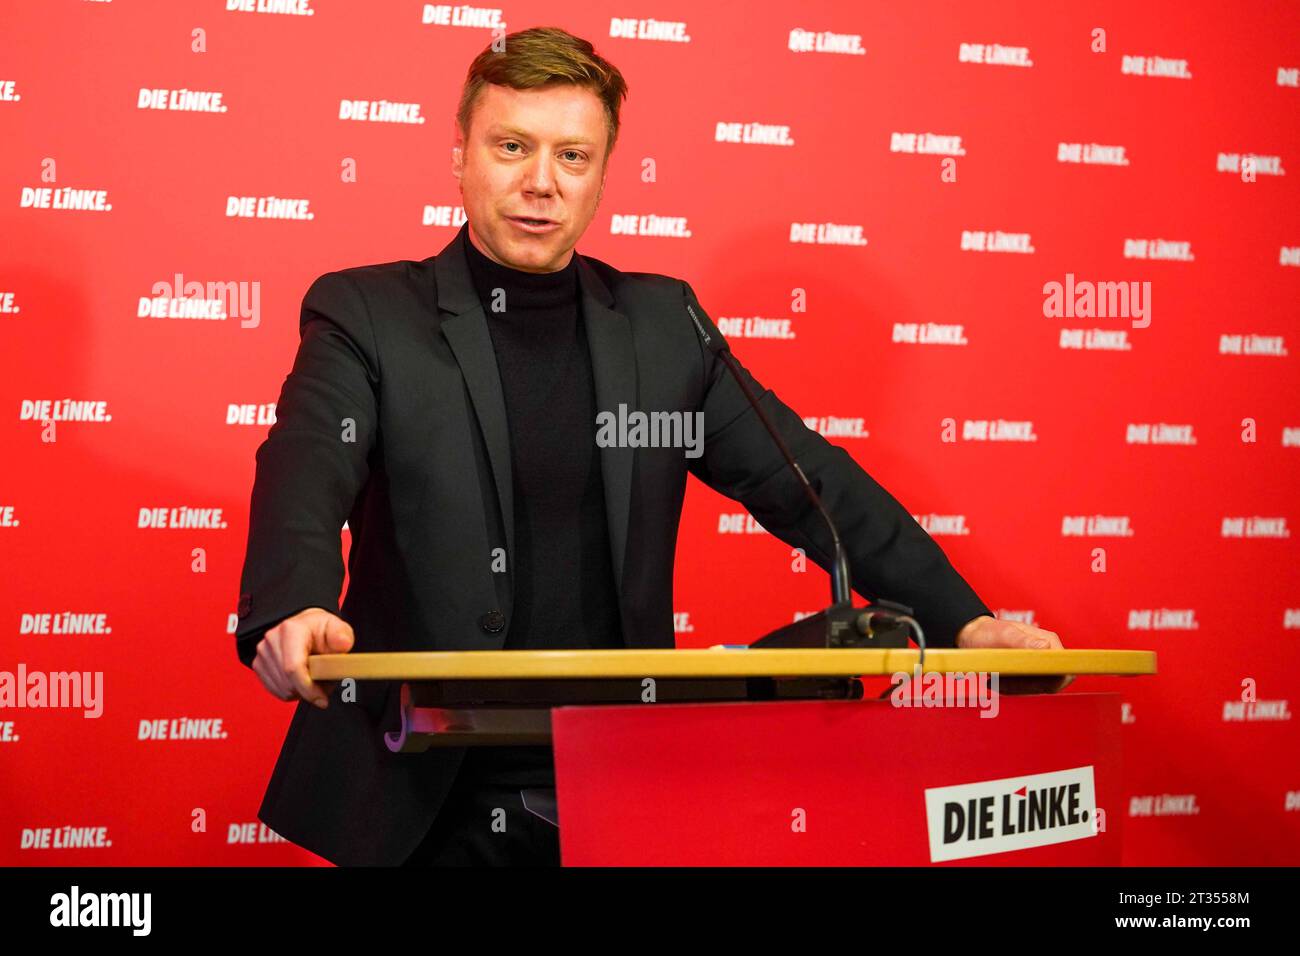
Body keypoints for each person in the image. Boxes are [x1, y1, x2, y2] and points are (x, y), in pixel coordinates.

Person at [234, 26, 1069, 868]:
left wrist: (965, 623)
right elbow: (307, 467)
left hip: (620, 785)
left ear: (601, 175)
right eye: (512, 147)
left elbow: (812, 483)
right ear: (460, 156)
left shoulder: (664, 328)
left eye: (572, 157)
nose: (540, 184)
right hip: (419, 785)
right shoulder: (369, 314)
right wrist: (293, 606)